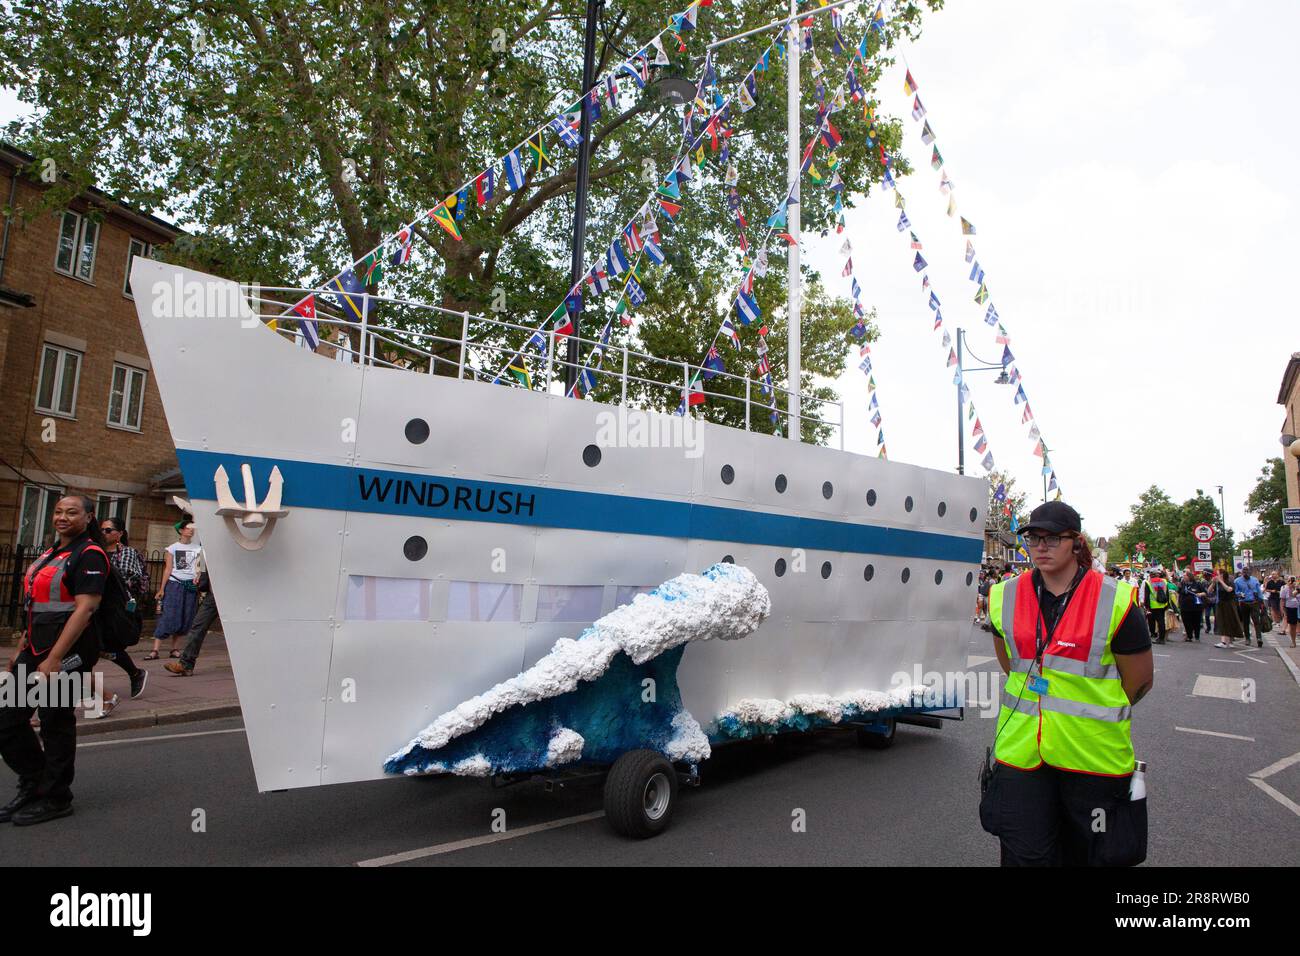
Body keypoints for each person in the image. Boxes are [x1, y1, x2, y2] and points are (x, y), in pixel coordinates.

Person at [980, 501, 1153, 866]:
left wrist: (1088, 709)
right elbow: (1010, 664)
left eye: (1052, 538)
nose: (1040, 546)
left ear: (1076, 542)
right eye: (1034, 538)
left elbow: (1138, 682)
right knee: (1025, 855)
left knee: (1091, 856)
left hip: (1092, 756)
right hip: (1021, 754)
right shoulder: (1004, 595)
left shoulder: (1115, 599)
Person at [0, 495, 107, 825]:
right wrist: (21, 648)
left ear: (88, 517)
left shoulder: (90, 554)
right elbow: (37, 604)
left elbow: (85, 608)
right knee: (7, 720)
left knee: (55, 722)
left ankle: (57, 797)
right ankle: (36, 781)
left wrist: (56, 658)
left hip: (64, 654)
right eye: (58, 511)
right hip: (34, 649)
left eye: (72, 512)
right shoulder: (51, 553)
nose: (62, 517)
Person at [98, 516, 148, 701]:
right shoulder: (99, 551)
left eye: (108, 530)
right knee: (95, 646)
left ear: (119, 534)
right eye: (102, 529)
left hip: (115, 608)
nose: (104, 533)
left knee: (106, 646)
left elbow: (128, 579)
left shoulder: (126, 553)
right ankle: (134, 674)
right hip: (97, 607)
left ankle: (135, 674)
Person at [147, 520, 201, 660]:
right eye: (188, 528)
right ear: (181, 530)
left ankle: (175, 648)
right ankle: (155, 649)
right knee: (169, 614)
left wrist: (198, 576)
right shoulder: (172, 548)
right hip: (174, 583)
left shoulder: (197, 548)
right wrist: (162, 589)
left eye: (192, 528)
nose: (191, 531)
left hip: (190, 585)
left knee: (185, 615)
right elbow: (168, 569)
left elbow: (198, 567)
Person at [164, 551, 219, 677]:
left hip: (233, 591)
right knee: (198, 625)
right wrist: (201, 577)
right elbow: (205, 560)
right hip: (215, 593)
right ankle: (186, 664)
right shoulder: (208, 543)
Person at [1211, 569, 1244, 648]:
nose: (1217, 576)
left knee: (1230, 621)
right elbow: (1209, 591)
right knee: (1222, 622)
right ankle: (1223, 642)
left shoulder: (1229, 582)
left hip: (1229, 604)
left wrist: (1221, 582)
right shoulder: (1217, 583)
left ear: (1222, 575)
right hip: (1220, 604)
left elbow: (1229, 589)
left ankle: (1230, 641)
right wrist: (1213, 583)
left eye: (1218, 574)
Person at [1234, 567, 1264, 648]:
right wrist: (1239, 594)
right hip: (1244, 603)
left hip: (1254, 603)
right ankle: (1247, 638)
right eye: (1244, 573)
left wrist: (1261, 601)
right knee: (1245, 621)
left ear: (1249, 573)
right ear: (1242, 573)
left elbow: (1259, 591)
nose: (1245, 574)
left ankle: (1259, 638)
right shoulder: (1237, 581)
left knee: (1256, 621)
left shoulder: (1254, 580)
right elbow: (1235, 592)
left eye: (1247, 573)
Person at [1142, 570, 1170, 645]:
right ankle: (1162, 638)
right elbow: (1167, 593)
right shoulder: (1164, 581)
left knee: (1153, 621)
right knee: (1161, 622)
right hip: (1163, 604)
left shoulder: (1148, 582)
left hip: (1153, 606)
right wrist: (1167, 604)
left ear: (1151, 575)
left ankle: (1158, 637)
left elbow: (1147, 596)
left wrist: (1146, 606)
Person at [1178, 569, 1206, 642]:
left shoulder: (1197, 584)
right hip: (1185, 607)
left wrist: (1200, 594)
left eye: (1185, 576)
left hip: (1196, 607)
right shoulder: (1182, 584)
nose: (1183, 577)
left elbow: (1205, 592)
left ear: (1189, 576)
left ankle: (1197, 636)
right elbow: (1179, 592)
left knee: (1196, 622)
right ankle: (1189, 636)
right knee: (1186, 622)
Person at [1282, 576, 1298, 649]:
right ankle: (1293, 641)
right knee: (1292, 626)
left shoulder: (1298, 588)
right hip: (1291, 608)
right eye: (1289, 581)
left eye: (1293, 580)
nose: (1291, 582)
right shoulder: (1285, 589)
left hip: (1298, 608)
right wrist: (1284, 611)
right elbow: (1283, 600)